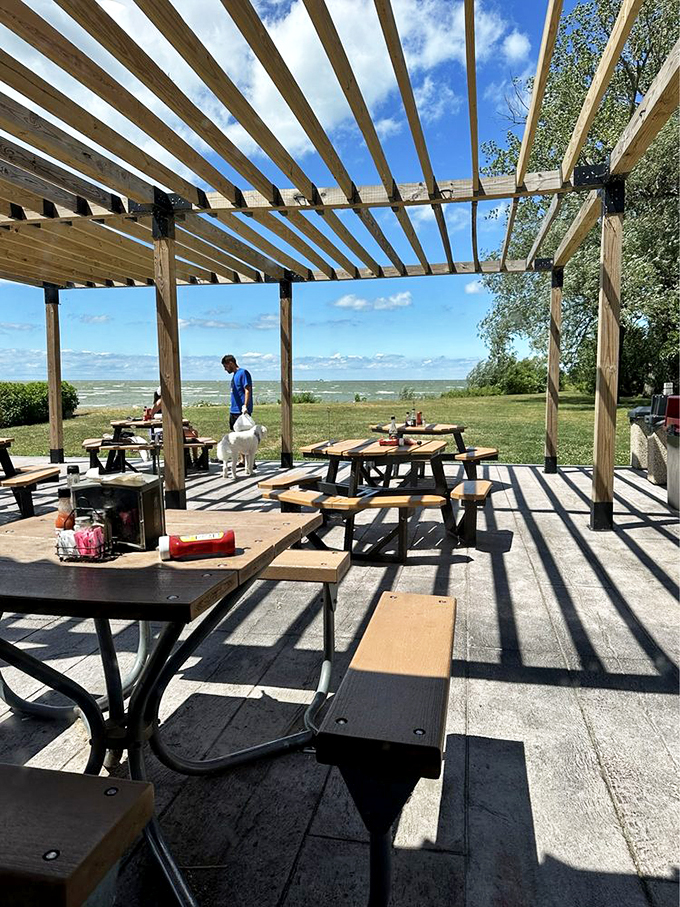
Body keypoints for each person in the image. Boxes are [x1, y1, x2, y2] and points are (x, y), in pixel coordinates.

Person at [222, 354, 253, 430]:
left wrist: (245, 406)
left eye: (225, 366)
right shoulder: (235, 375)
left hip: (241, 411)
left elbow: (247, 390)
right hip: (233, 410)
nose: (225, 369)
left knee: (243, 435)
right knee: (234, 434)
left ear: (231, 363)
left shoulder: (243, 373)